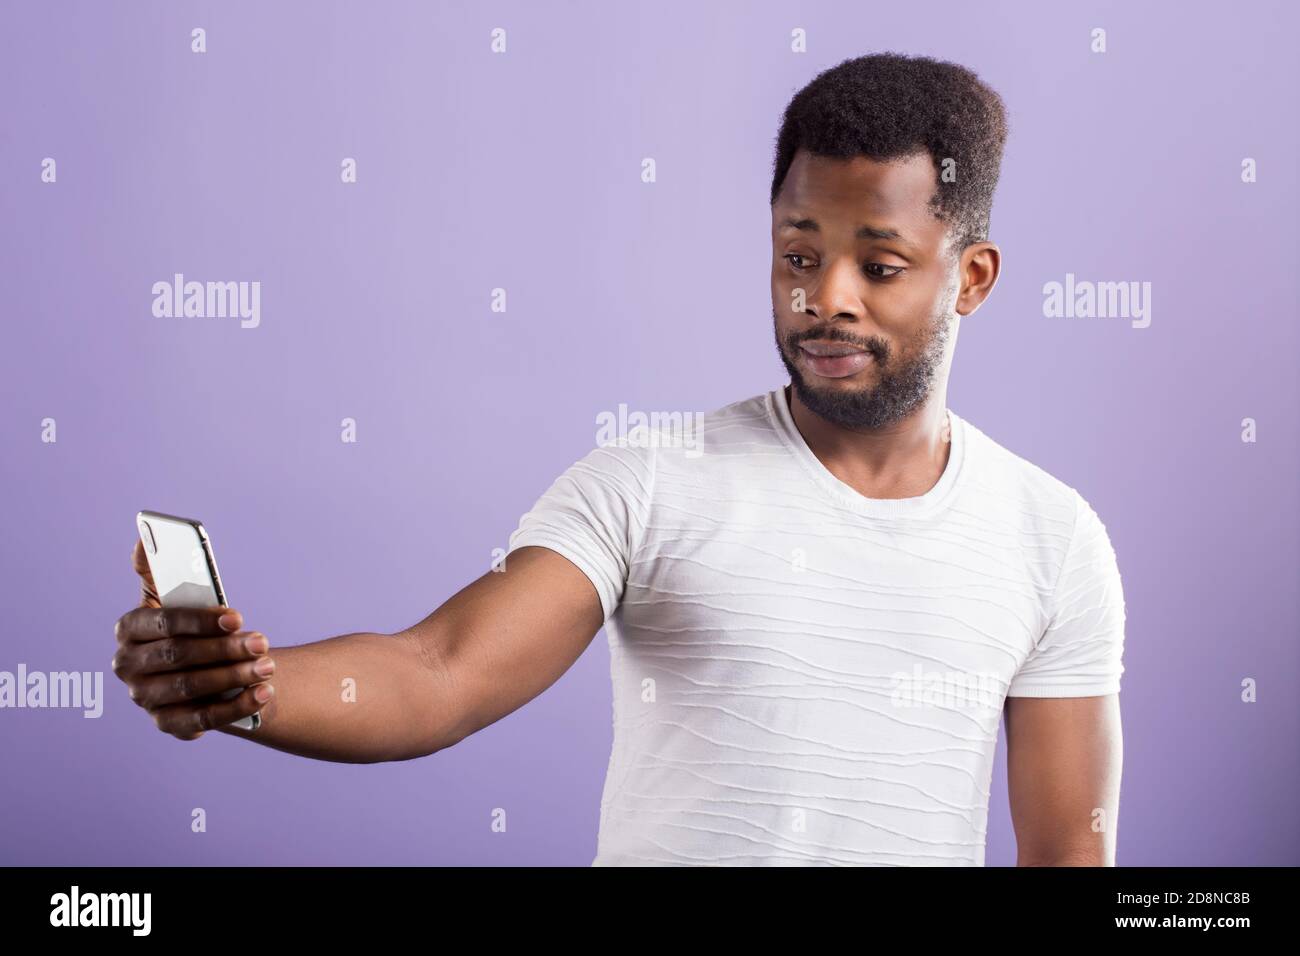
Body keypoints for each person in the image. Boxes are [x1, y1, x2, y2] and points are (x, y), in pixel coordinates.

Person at [112, 53, 1125, 866]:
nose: (827, 297)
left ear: (972, 279)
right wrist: (247, 688)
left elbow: (1068, 851)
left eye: (881, 263)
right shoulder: (654, 481)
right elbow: (439, 670)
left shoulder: (1051, 537)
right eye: (798, 254)